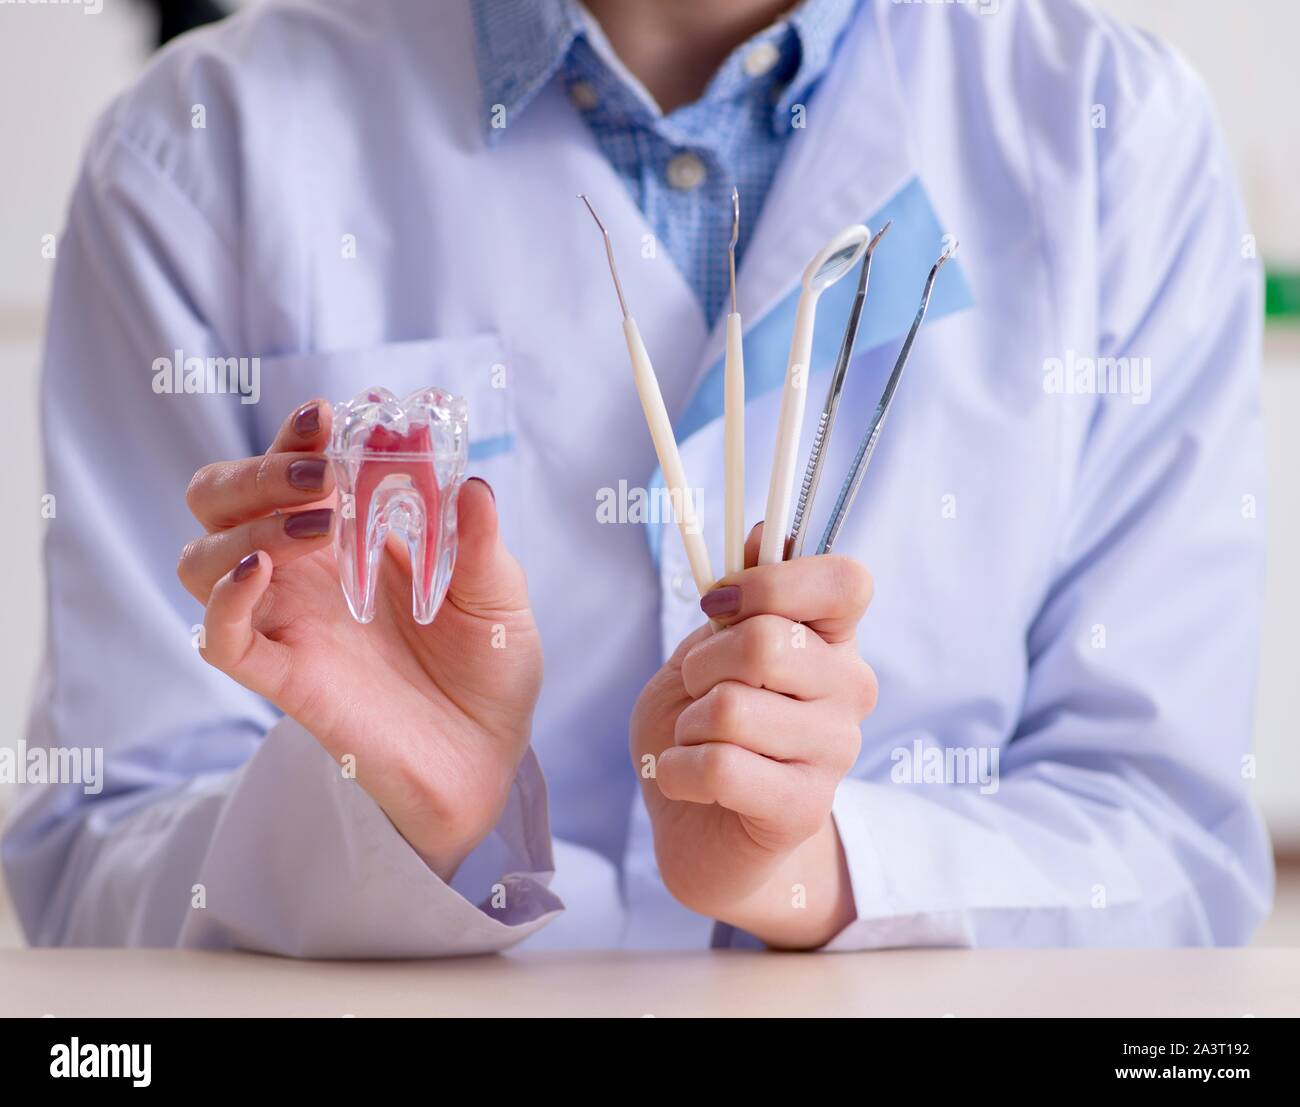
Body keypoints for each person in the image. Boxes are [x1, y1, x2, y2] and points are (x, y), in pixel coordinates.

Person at [3, 0, 1271, 955]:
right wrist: (418, 832)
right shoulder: (198, 151)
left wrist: (809, 871)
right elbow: (92, 864)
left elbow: (1169, 847)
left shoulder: (1114, 137)